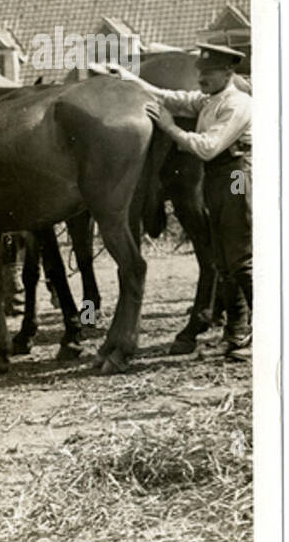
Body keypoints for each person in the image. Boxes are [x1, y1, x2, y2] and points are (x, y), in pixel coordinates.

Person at [96, 43, 252, 361]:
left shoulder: (237, 105)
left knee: (239, 256)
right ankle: (238, 332)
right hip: (216, 178)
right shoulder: (208, 100)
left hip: (237, 178)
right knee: (222, 257)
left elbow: (208, 147)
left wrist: (169, 128)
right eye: (200, 72)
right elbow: (169, 98)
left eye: (208, 73)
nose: (201, 78)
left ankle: (264, 328)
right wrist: (130, 78)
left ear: (228, 73)